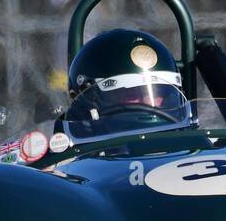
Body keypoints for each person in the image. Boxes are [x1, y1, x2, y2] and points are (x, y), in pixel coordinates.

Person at [59, 29, 197, 143]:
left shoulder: (196, 149)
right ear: (90, 100)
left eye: (160, 93)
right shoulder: (69, 165)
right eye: (132, 94)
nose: (149, 103)